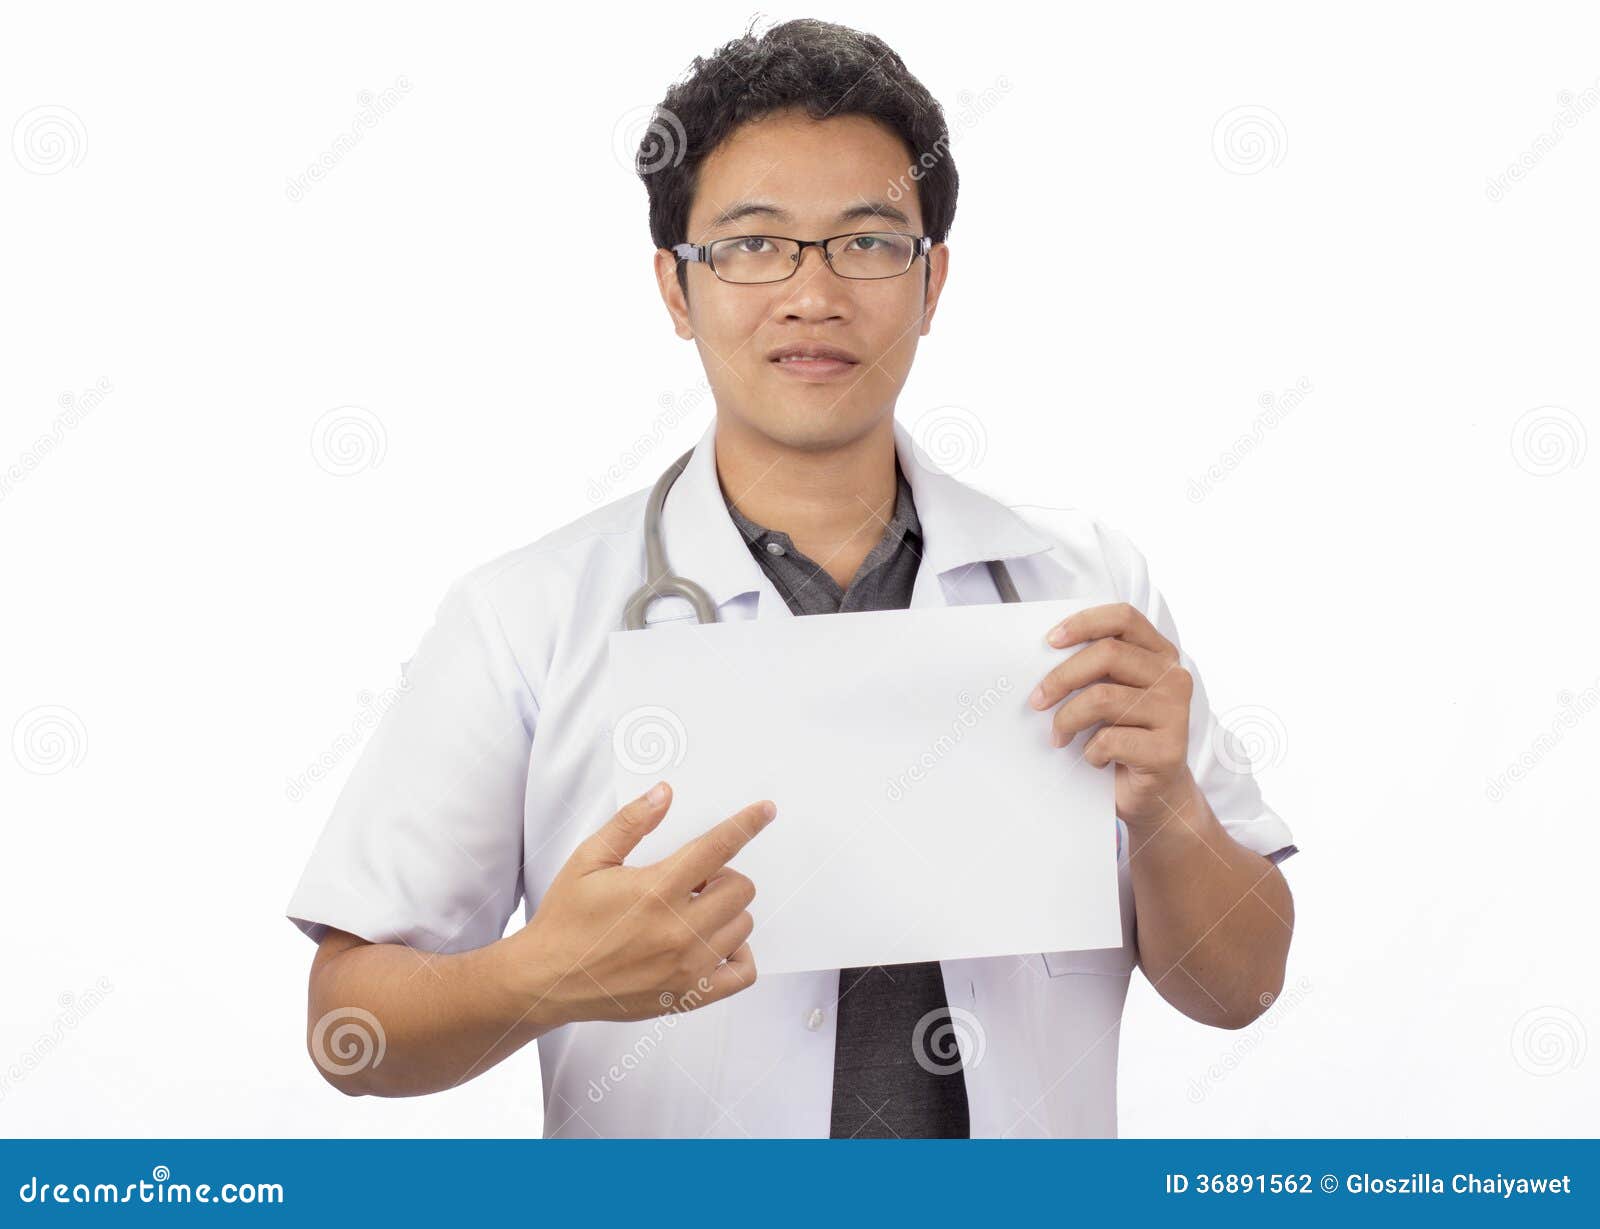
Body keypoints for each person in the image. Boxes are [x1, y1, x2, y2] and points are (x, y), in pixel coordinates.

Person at [286, 17, 1298, 1138]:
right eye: (753, 244)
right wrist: (541, 973)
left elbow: (1242, 985)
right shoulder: (523, 618)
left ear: (932, 279)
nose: (812, 295)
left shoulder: (1084, 592)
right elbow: (350, 1028)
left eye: (867, 242)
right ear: (677, 287)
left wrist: (1167, 811)